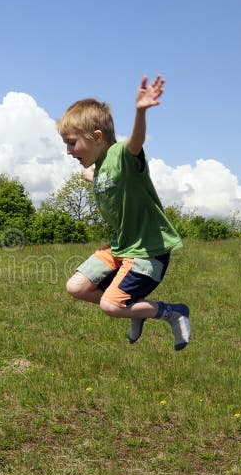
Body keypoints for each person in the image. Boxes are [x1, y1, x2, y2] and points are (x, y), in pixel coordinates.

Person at [58, 75, 191, 351]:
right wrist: (88, 173)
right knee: (77, 287)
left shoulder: (122, 156)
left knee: (109, 305)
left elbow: (135, 143)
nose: (69, 151)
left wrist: (140, 111)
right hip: (121, 246)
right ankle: (133, 309)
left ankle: (172, 312)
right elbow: (93, 174)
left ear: (97, 137)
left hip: (147, 249)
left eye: (72, 143)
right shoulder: (98, 167)